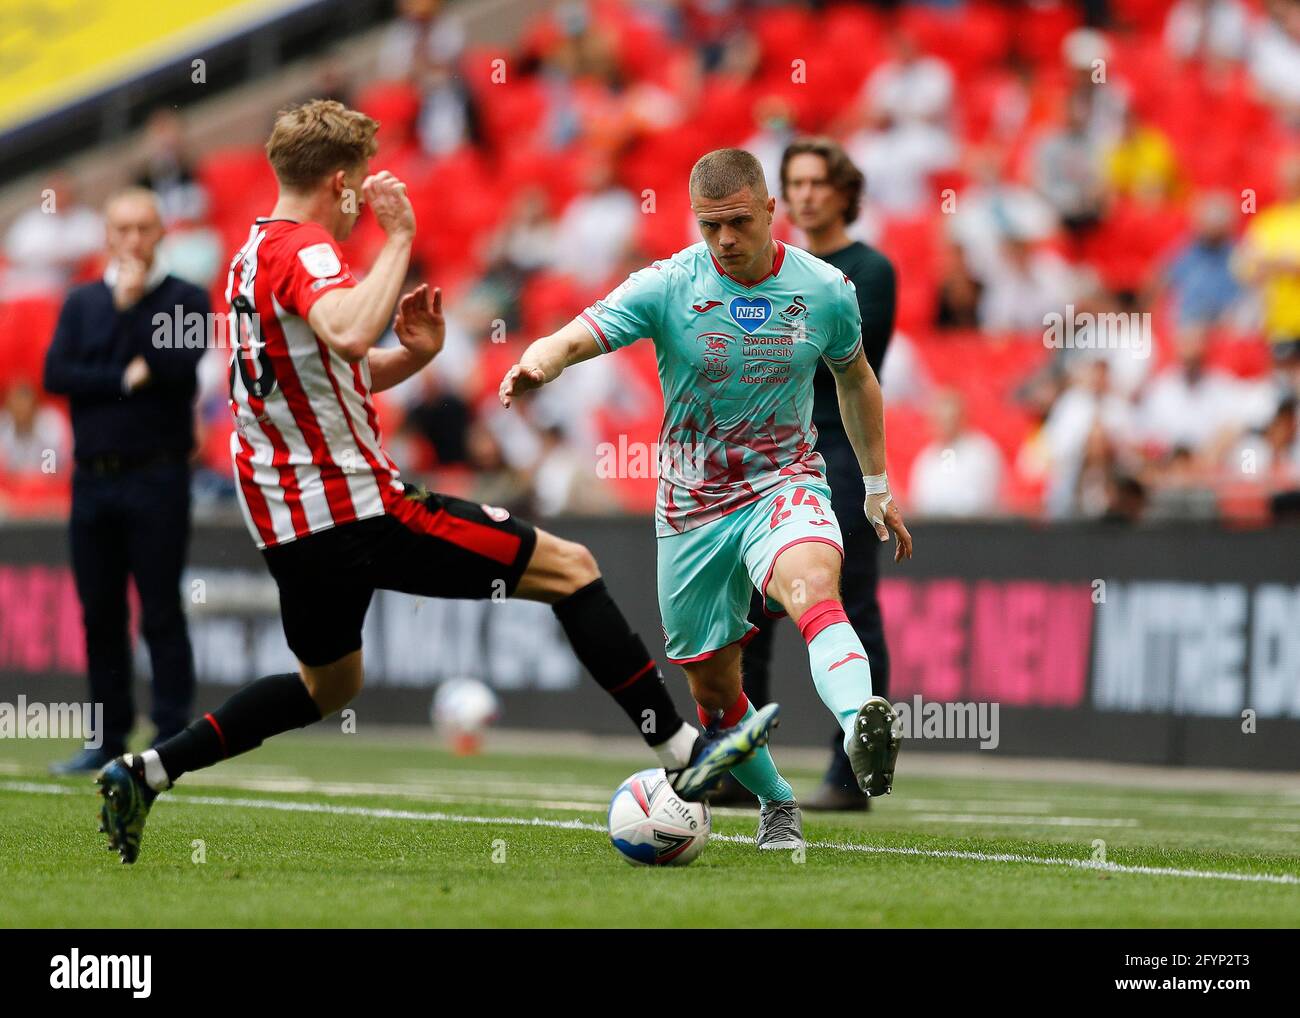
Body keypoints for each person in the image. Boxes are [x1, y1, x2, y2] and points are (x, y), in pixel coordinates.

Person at [96, 100, 775, 865]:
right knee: (571, 568)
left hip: (289, 525)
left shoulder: (249, 254)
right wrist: (403, 238)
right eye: (360, 196)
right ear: (345, 185)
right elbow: (350, 328)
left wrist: (413, 356)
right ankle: (683, 749)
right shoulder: (310, 251)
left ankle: (147, 770)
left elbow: (325, 369)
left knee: (328, 687)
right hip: (354, 507)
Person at [500, 148, 915, 851]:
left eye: (739, 223)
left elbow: (857, 381)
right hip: (690, 508)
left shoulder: (825, 289)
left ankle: (857, 724)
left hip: (785, 483)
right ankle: (778, 802)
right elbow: (581, 331)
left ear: (769, 212)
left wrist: (875, 487)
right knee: (716, 693)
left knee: (814, 586)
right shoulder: (668, 285)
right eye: (710, 225)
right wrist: (540, 357)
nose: (725, 239)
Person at [719, 137, 897, 812]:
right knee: (750, 608)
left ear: (844, 191)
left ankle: (851, 770)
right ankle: (742, 764)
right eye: (795, 183)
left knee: (847, 599)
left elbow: (844, 360)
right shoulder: (767, 270)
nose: (807, 194)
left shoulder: (866, 269)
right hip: (764, 451)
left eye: (819, 182)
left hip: (839, 448)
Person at [43, 188, 206, 775]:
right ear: (107, 235)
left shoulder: (185, 298)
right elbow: (57, 373)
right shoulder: (82, 300)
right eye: (123, 229)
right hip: (92, 481)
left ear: (162, 231)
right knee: (99, 613)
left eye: (144, 228)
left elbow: (177, 371)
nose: (134, 240)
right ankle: (107, 736)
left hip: (157, 476)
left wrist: (133, 313)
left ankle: (171, 735)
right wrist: (127, 375)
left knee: (162, 608)